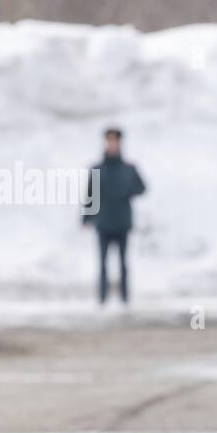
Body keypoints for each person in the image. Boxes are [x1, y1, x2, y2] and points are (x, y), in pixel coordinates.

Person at [82, 126, 146, 305]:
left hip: (123, 222)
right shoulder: (97, 169)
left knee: (123, 263)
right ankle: (102, 299)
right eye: (109, 141)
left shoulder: (129, 168)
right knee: (102, 263)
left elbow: (142, 188)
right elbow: (90, 195)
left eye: (115, 141)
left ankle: (125, 299)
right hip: (103, 222)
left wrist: (128, 189)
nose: (112, 144)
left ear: (120, 143)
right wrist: (86, 218)